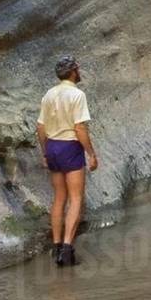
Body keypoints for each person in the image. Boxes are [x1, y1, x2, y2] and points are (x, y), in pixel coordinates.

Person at [36, 56, 99, 266]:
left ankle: (55, 247)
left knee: (59, 198)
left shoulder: (49, 94)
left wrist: (46, 151)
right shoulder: (77, 94)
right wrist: (91, 153)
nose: (79, 71)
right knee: (75, 199)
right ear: (73, 71)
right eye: (78, 68)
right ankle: (67, 249)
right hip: (70, 146)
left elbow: (41, 127)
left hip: (52, 146)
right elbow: (80, 128)